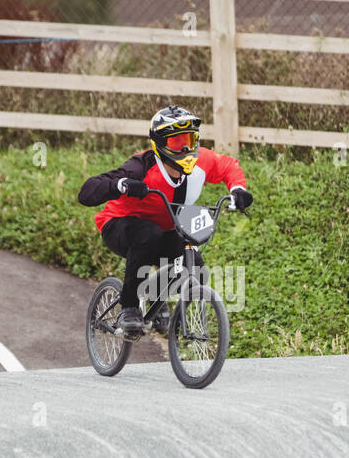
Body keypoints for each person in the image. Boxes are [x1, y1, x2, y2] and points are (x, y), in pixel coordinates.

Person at [78, 105, 253, 337]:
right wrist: (121, 185)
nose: (186, 148)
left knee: (196, 267)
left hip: (165, 227)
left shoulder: (202, 161)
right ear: (160, 144)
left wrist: (238, 189)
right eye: (176, 143)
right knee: (148, 234)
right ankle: (129, 308)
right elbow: (87, 192)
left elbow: (228, 166)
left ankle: (159, 302)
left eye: (189, 140)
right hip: (119, 224)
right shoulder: (140, 166)